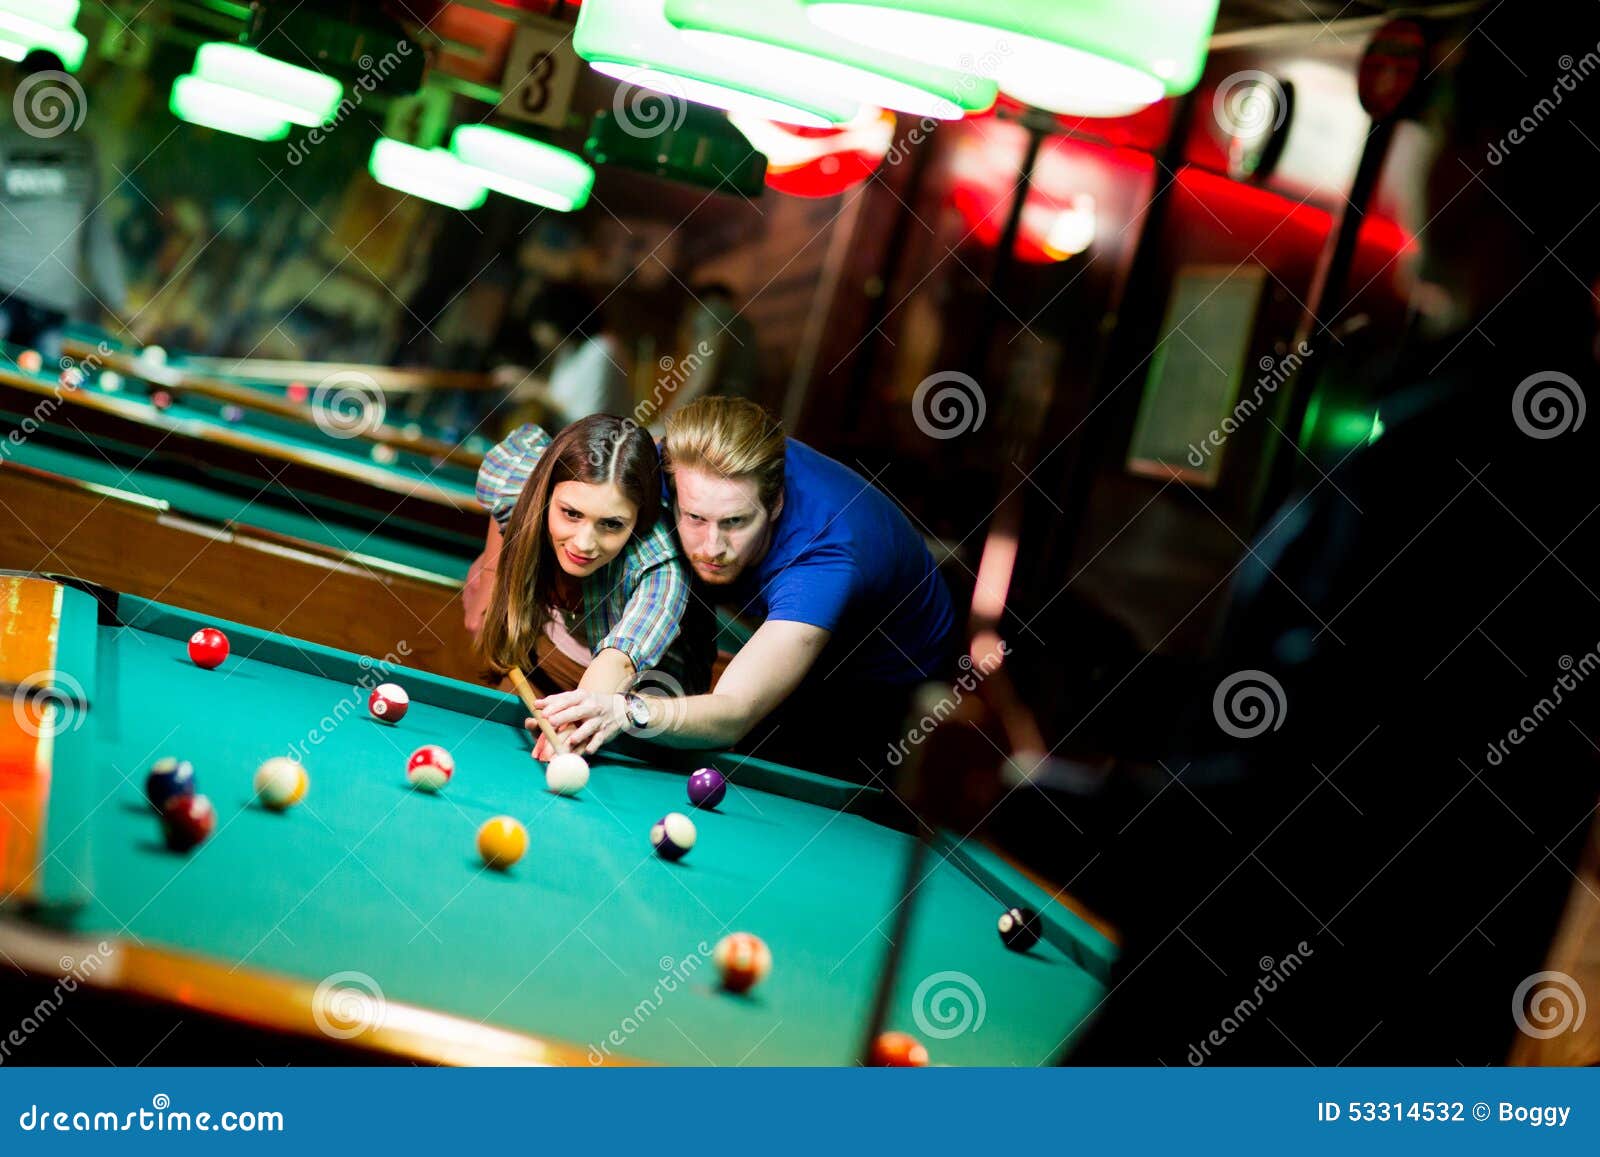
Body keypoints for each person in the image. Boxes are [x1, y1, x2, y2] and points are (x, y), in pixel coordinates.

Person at [990, 9, 1600, 1066]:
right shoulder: (1505, 423)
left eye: (1432, 129)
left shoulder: (1473, 452)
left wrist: (1025, 798)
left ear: (1478, 158)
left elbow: (1310, 812)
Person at [535, 397, 958, 774]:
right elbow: (544, 468)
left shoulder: (822, 558)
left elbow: (733, 713)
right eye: (695, 518)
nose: (712, 547)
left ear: (774, 504)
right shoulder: (669, 464)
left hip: (877, 668)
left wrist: (626, 712)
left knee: (795, 781)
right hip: (784, 607)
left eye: (735, 521)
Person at [469, 416, 711, 759]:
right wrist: (492, 577)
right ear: (545, 492)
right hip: (541, 665)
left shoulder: (659, 563)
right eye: (571, 513)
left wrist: (575, 721)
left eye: (611, 524)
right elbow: (512, 450)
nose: (584, 543)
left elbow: (620, 659)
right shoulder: (523, 480)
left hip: (633, 711)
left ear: (639, 519)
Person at [0, 51, 130, 358]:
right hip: (3, 293)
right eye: (28, 94)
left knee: (43, 389)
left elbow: (96, 231)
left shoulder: (82, 152)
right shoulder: (3, 142)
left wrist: (121, 303)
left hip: (53, 309)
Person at [489, 283, 631, 431]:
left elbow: (586, 420)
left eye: (538, 326)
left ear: (557, 321)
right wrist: (527, 381)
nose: (535, 335)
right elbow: (559, 395)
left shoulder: (602, 348)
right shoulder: (569, 349)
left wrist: (537, 390)